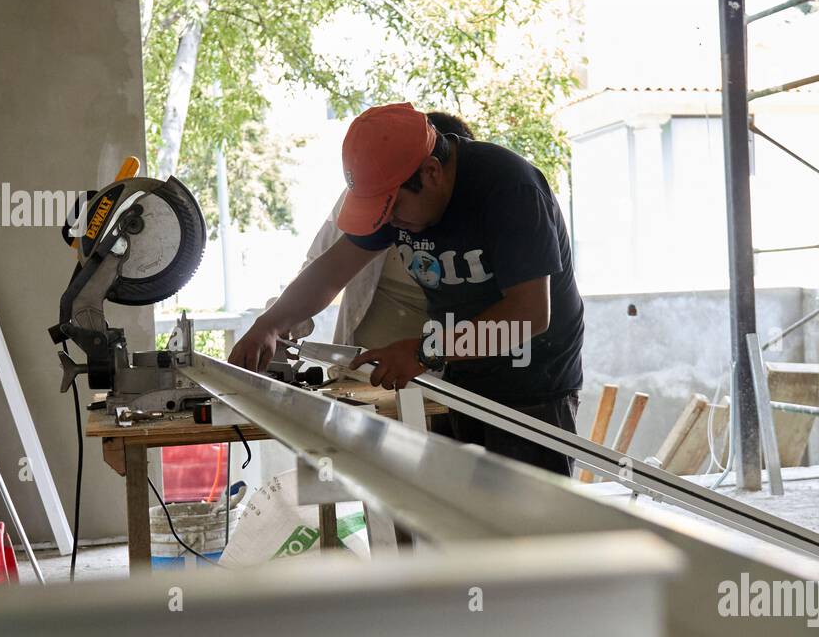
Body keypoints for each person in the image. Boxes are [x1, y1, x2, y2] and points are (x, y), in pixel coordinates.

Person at [229, 102, 585, 476]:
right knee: (457, 522)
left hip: (533, 388)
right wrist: (269, 324)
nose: (390, 222)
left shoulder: (509, 189)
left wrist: (424, 351)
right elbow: (332, 270)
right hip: (460, 381)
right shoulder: (398, 197)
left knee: (528, 529)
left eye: (394, 209)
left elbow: (527, 315)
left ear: (431, 172)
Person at [281, 112, 474, 349]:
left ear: (436, 175)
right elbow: (319, 267)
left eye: (397, 206)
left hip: (433, 376)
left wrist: (421, 355)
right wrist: (278, 323)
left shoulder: (484, 218)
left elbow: (517, 318)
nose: (389, 218)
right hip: (355, 369)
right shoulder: (366, 196)